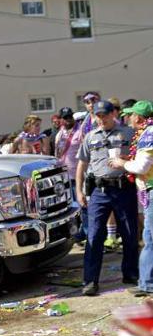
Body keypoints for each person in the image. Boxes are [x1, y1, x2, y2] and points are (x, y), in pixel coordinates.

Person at [76, 100, 137, 296]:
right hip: (99, 192)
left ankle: (131, 273)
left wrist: (126, 161)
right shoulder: (90, 136)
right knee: (94, 236)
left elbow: (139, 157)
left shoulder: (128, 133)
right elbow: (82, 165)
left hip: (123, 188)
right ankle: (90, 281)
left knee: (129, 233)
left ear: (113, 114)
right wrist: (79, 191)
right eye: (98, 116)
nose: (101, 119)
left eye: (104, 115)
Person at [108, 100, 153, 297]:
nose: (127, 118)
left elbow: (142, 167)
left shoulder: (148, 135)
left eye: (130, 114)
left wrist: (122, 163)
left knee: (149, 238)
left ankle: (147, 283)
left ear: (139, 118)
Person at [55, 107, 87, 242]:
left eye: (70, 117)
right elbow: (57, 151)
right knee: (71, 208)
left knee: (82, 205)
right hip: (64, 176)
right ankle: (78, 232)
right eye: (65, 117)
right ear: (61, 119)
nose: (68, 119)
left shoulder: (80, 131)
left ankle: (86, 232)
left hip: (78, 175)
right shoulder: (60, 133)